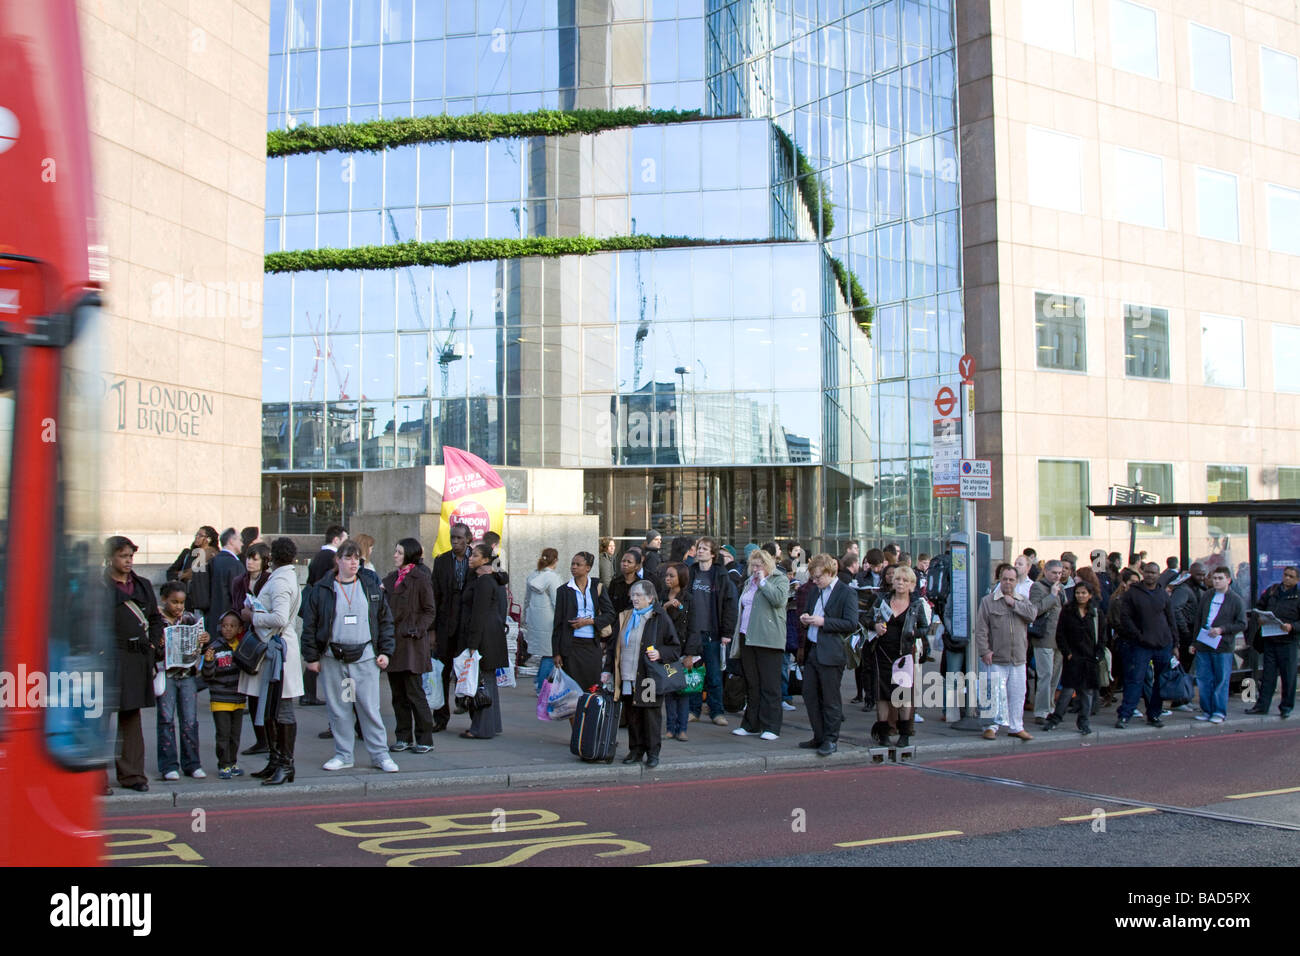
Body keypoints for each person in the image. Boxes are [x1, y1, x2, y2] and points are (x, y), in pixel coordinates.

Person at [302, 541, 397, 771]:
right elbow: (310, 625)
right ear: (338, 561)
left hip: (365, 658)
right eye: (348, 558)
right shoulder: (323, 589)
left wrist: (385, 651)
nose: (354, 562)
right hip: (334, 658)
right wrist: (311, 657)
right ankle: (344, 754)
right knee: (340, 709)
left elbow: (385, 621)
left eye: (357, 558)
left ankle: (380, 755)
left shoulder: (370, 586)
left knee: (369, 709)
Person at [104, 536, 164, 793]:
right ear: (110, 558)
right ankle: (95, 779)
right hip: (107, 658)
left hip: (136, 658)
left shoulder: (143, 585)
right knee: (99, 719)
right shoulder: (97, 586)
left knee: (131, 718)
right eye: (123, 556)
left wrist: (153, 644)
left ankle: (132, 775)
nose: (128, 560)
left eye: (130, 556)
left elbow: (154, 619)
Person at [244, 537, 305, 785]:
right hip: (278, 649)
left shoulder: (280, 580)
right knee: (273, 708)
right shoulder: (284, 576)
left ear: (274, 556)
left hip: (278, 651)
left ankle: (285, 764)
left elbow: (279, 618)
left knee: (282, 709)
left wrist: (252, 615)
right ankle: (276, 760)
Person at [603, 579, 680, 768]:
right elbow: (614, 646)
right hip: (628, 675)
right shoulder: (625, 616)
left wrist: (660, 653)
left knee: (650, 715)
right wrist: (607, 670)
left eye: (639, 595)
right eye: (633, 594)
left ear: (650, 598)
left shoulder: (659, 617)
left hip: (648, 676)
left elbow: (675, 648)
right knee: (633, 714)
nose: (634, 598)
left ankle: (653, 752)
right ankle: (636, 750)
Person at [796, 554, 858, 756]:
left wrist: (824, 622)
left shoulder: (846, 592)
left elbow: (851, 623)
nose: (815, 581)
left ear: (830, 573)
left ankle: (831, 739)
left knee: (830, 698)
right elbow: (807, 611)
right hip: (814, 648)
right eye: (813, 577)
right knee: (810, 694)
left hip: (832, 651)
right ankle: (819, 735)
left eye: (818, 577)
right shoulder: (815, 591)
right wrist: (805, 619)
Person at [867, 565, 932, 747]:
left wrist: (914, 633)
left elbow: (925, 628)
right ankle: (884, 733)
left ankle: (904, 734)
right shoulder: (882, 600)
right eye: (897, 579)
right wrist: (875, 626)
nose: (901, 583)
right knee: (882, 695)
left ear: (912, 585)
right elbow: (867, 619)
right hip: (882, 653)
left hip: (904, 655)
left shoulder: (916, 604)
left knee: (903, 696)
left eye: (905, 580)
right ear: (892, 582)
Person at [730, 548, 790, 741]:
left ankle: (772, 725)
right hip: (748, 637)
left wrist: (763, 582)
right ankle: (751, 724)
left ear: (767, 565)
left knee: (770, 685)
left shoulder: (779, 579)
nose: (755, 568)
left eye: (759, 565)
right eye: (753, 565)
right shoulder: (749, 583)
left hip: (768, 639)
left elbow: (779, 600)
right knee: (752, 684)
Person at [383, 538, 436, 753]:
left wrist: (418, 629)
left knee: (415, 693)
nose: (395, 555)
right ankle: (403, 736)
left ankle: (425, 738)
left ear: (409, 554)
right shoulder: (390, 579)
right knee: (398, 695)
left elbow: (430, 610)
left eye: (399, 552)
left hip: (412, 644)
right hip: (393, 643)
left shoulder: (421, 578)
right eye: (395, 551)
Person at [975, 564, 1037, 741]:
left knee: (1017, 693)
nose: (1008, 583)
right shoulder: (988, 601)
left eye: (1011, 579)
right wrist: (985, 651)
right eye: (1005, 579)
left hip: (1018, 658)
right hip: (995, 657)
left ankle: (1016, 726)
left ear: (1016, 581)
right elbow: (981, 629)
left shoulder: (1023, 600)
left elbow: (1032, 615)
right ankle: (990, 726)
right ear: (999, 580)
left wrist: (1014, 604)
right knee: (992, 694)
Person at [1115, 563, 1178, 729]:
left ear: (1158, 575)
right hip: (1141, 645)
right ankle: (1125, 715)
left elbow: (1171, 619)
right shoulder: (1132, 594)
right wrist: (1139, 636)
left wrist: (1175, 644)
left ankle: (1154, 714)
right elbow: (1125, 618)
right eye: (1148, 572)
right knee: (1135, 680)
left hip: (1163, 644)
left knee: (1160, 682)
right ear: (1143, 573)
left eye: (1154, 573)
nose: (1150, 575)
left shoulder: (1163, 594)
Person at [156, 581, 207, 780]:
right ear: (164, 600)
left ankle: (192, 763)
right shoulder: (157, 621)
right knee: (166, 720)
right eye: (174, 602)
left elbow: (202, 640)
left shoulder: (189, 618)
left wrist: (204, 638)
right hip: (166, 675)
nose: (178, 607)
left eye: (181, 603)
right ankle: (168, 765)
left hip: (187, 676)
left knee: (190, 721)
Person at [686, 538, 739, 727]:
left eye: (705, 549)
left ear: (713, 554)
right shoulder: (691, 573)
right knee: (693, 674)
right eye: (699, 548)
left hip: (713, 633)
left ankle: (717, 712)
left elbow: (730, 605)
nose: (700, 551)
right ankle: (693, 710)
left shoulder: (721, 576)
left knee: (714, 675)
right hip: (693, 633)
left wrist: (727, 632)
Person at [459, 543, 509, 740]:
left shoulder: (484, 582)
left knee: (482, 684)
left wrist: (472, 644)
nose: (470, 558)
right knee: (488, 683)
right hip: (493, 635)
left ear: (486, 560)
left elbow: (478, 615)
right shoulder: (492, 580)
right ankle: (492, 725)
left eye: (475, 556)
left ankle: (483, 728)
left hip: (483, 638)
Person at [552, 551, 616, 696]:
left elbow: (610, 614)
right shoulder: (564, 590)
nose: (574, 567)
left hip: (592, 646)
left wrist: (589, 621)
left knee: (592, 689)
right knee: (572, 692)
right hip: (570, 646)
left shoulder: (597, 587)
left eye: (578, 564)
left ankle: (588, 717)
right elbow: (558, 624)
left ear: (588, 568)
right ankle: (575, 718)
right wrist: (556, 652)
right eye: (572, 564)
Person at [1044, 580, 1102, 735]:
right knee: (1068, 690)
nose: (1080, 596)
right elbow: (1060, 634)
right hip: (1073, 657)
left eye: (1084, 593)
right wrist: (1067, 653)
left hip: (1090, 658)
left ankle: (1084, 721)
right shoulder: (1068, 610)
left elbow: (1101, 636)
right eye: (1078, 593)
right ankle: (1056, 719)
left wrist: (1098, 654)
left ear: (1090, 595)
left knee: (1086, 692)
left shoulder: (1095, 613)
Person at [1189, 567, 1246, 724]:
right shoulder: (1207, 595)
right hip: (1204, 644)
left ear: (1228, 580)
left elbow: (1242, 624)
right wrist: (1194, 642)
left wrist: (1222, 629)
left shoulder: (1235, 599)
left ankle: (1219, 712)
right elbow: (1199, 620)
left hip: (1222, 646)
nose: (1216, 581)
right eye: (1214, 578)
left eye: (1220, 578)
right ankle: (1207, 710)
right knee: (1203, 679)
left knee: (1221, 680)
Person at [431, 522, 472, 732]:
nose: (455, 541)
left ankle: (473, 712)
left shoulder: (477, 558)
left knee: (469, 671)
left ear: (468, 539)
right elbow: (434, 596)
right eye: (452, 538)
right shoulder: (442, 561)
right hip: (446, 623)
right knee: (442, 672)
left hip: (468, 625)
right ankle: (440, 716)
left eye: (459, 538)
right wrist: (432, 629)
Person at [232, 541, 272, 756]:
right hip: (246, 638)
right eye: (248, 557)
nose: (250, 561)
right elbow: (234, 606)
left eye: (255, 558)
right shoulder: (239, 581)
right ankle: (260, 739)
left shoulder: (270, 580)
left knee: (267, 691)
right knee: (251, 692)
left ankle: (269, 737)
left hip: (265, 639)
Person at [302, 524, 347, 706]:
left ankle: (308, 693)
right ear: (336, 540)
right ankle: (309, 693)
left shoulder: (318, 557)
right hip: (324, 612)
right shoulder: (330, 558)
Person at [1249, 565, 1300, 718]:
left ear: (1297, 579)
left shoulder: (1298, 595)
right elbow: (1259, 607)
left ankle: (1286, 707)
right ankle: (1262, 706)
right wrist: (1260, 618)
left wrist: (1292, 626)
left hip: (1288, 642)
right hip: (1270, 639)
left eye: (1291, 576)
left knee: (1288, 676)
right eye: (1285, 575)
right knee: (1268, 676)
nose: (1287, 578)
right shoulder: (1273, 591)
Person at [202, 610, 249, 778]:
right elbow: (207, 676)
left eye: (232, 626)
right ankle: (223, 764)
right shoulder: (214, 647)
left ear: (239, 629)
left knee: (234, 735)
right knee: (223, 734)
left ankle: (233, 762)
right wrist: (208, 662)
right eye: (224, 626)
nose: (228, 629)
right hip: (220, 699)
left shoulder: (243, 646)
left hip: (238, 698)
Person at [660, 562, 695, 741]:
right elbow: (655, 618)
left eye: (672, 576)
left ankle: (682, 729)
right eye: (666, 575)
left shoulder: (688, 598)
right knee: (669, 691)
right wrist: (665, 606)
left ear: (681, 578)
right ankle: (670, 728)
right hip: (666, 650)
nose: (668, 579)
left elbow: (693, 626)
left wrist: (690, 654)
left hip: (682, 650)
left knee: (683, 691)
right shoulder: (662, 596)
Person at [1028, 560, 1065, 724]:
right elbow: (1035, 610)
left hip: (1059, 639)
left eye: (1059, 573)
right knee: (1045, 675)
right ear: (1046, 571)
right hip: (1043, 638)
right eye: (1054, 572)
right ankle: (1041, 712)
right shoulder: (1038, 587)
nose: (1057, 576)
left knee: (1054, 677)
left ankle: (1050, 708)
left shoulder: (1061, 588)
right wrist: (1052, 595)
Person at [523, 548, 563, 692]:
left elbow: (526, 599)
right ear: (556, 561)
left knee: (545, 652)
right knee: (551, 653)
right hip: (550, 620)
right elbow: (557, 601)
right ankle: (541, 685)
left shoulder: (533, 575)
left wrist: (524, 617)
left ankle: (537, 681)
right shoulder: (553, 578)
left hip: (535, 619)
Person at [207, 528, 244, 636]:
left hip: (212, 622)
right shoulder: (236, 565)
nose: (242, 543)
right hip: (230, 626)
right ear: (231, 541)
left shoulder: (212, 561)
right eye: (240, 540)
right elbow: (239, 597)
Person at [609, 547, 644, 616]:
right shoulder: (615, 583)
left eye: (629, 562)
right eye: (623, 561)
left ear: (636, 566)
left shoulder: (641, 584)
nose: (625, 564)